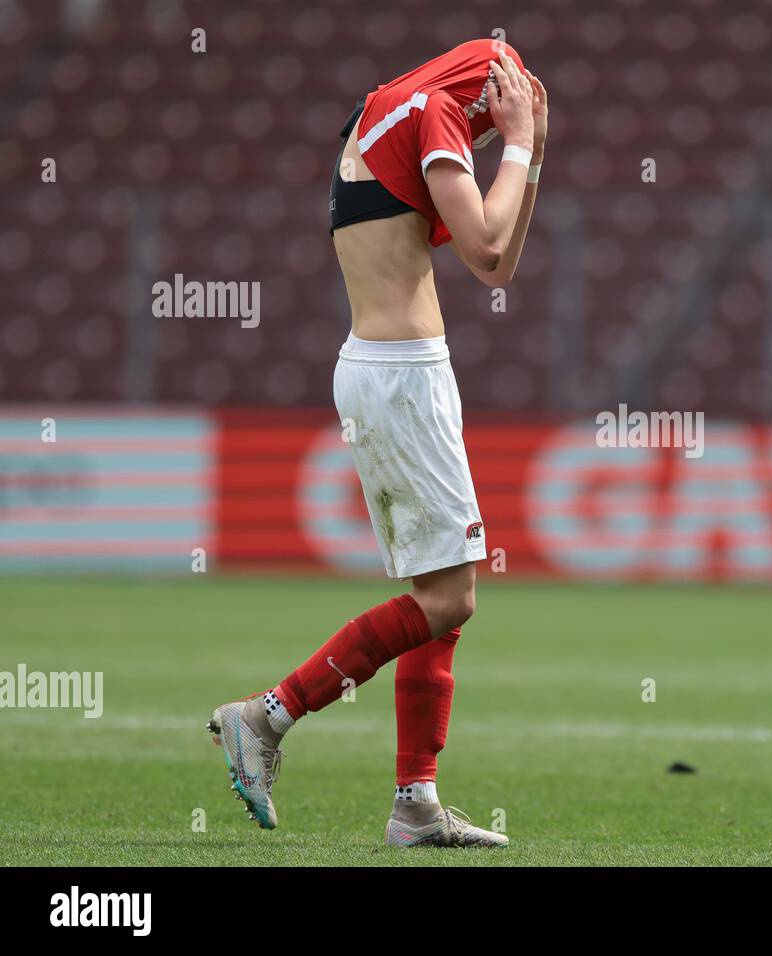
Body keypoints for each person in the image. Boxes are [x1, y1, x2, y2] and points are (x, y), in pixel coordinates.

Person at [206, 38, 547, 849]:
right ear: (483, 90)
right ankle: (267, 715)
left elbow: (496, 268)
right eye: (499, 111)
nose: (497, 131)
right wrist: (524, 145)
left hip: (391, 372)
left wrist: (528, 160)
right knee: (451, 597)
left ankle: (416, 802)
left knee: (445, 595)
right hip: (402, 380)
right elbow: (489, 250)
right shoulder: (433, 115)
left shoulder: (385, 112)